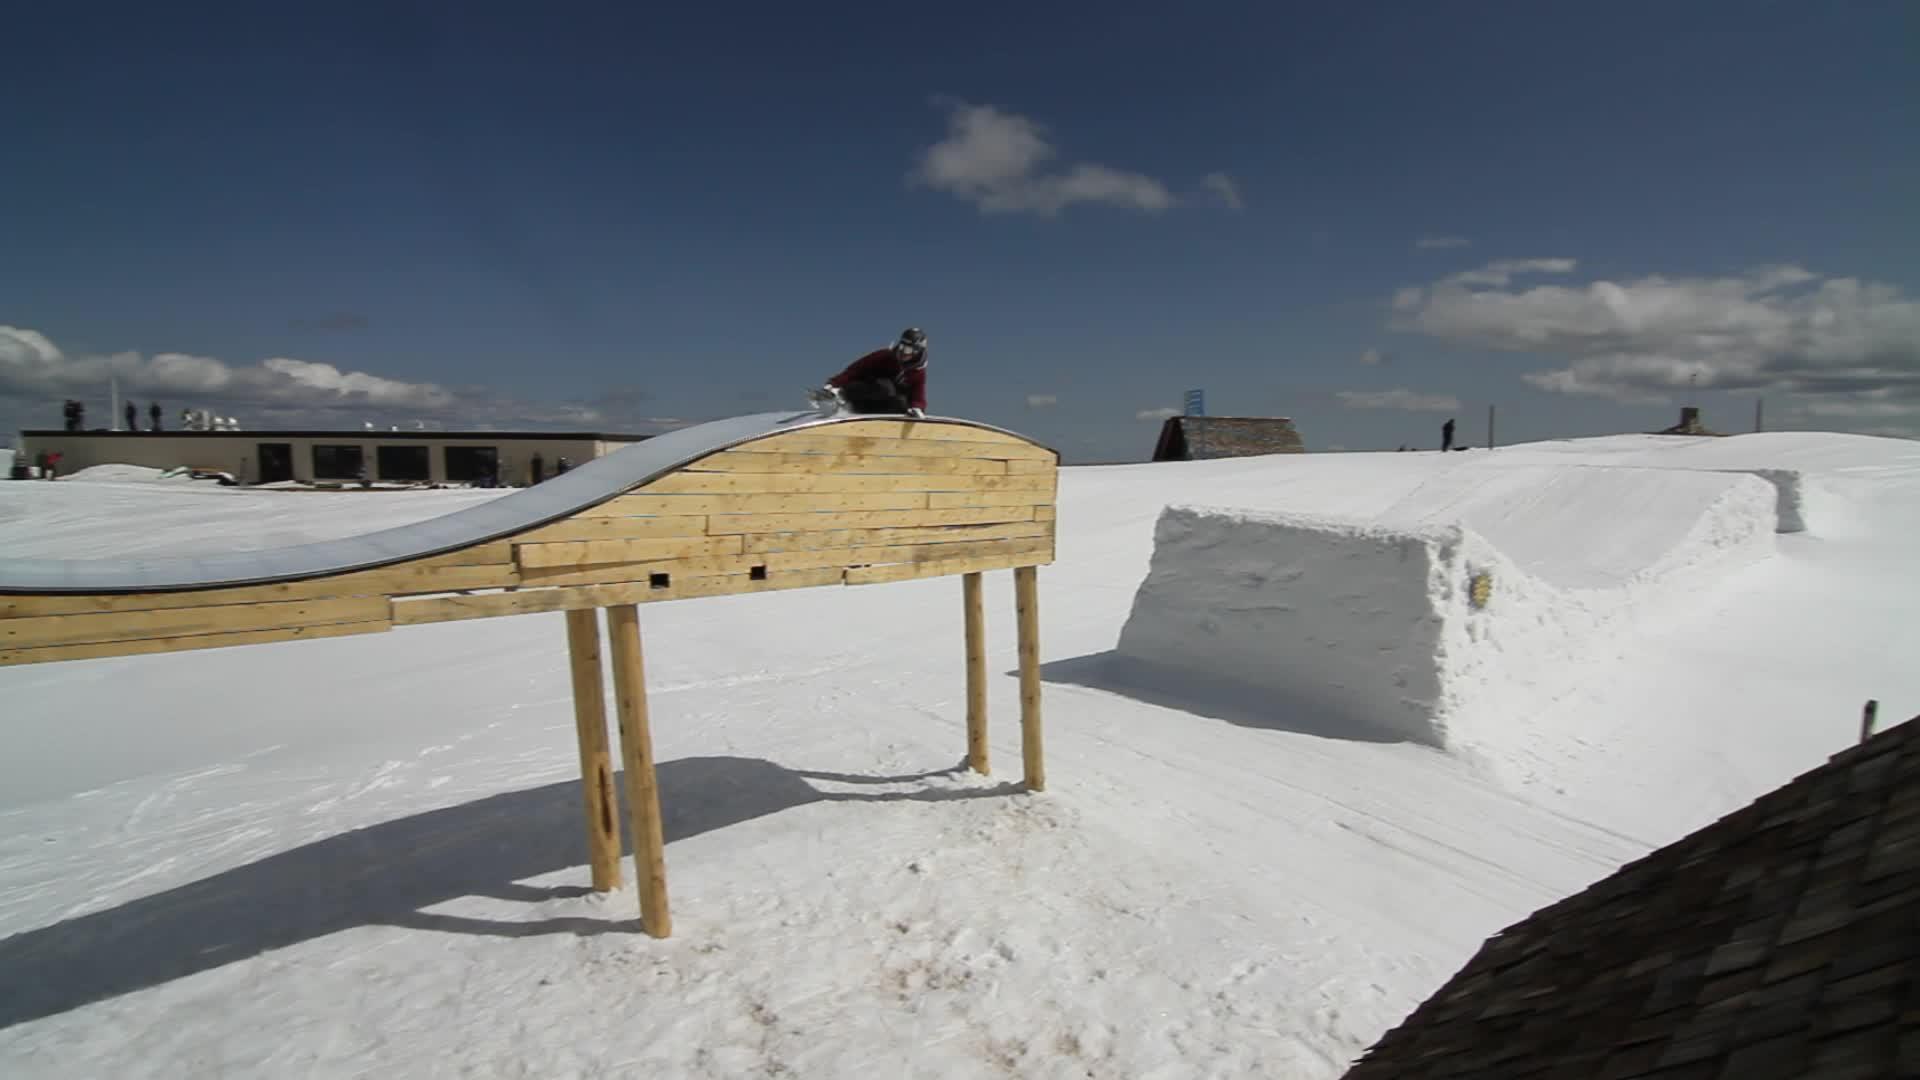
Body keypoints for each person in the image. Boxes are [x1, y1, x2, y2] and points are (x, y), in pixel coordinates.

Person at [821, 327, 929, 417]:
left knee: (901, 402)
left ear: (917, 351)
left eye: (908, 349)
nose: (903, 352)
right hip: (860, 391)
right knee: (886, 387)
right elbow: (855, 369)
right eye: (901, 347)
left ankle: (879, 420)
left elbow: (918, 395)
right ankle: (842, 401)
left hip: (877, 405)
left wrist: (917, 408)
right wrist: (833, 383)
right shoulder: (885, 356)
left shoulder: (917, 372)